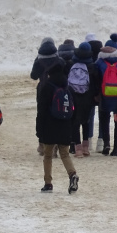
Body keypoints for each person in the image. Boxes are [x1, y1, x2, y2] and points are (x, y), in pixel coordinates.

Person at [36, 65, 79, 194]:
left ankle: (48, 183)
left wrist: (39, 129)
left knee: (48, 155)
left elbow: (42, 110)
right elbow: (73, 109)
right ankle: (72, 175)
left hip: (50, 125)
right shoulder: (68, 88)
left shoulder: (47, 87)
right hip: (65, 125)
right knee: (64, 154)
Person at [30, 37, 65, 155]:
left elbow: (33, 76)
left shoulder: (38, 60)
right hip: (58, 90)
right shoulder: (59, 60)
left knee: (42, 116)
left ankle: (42, 144)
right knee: (56, 115)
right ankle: (55, 144)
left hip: (43, 90)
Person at [96, 38, 117, 157]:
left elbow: (96, 80)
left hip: (104, 97)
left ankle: (106, 144)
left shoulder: (99, 62)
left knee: (104, 121)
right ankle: (116, 149)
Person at [68, 42, 101, 157]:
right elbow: (97, 83)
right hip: (88, 97)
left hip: (74, 96)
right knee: (86, 121)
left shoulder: (71, 64)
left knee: (75, 122)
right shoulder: (92, 66)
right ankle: (86, 147)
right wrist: (97, 95)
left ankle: (77, 149)